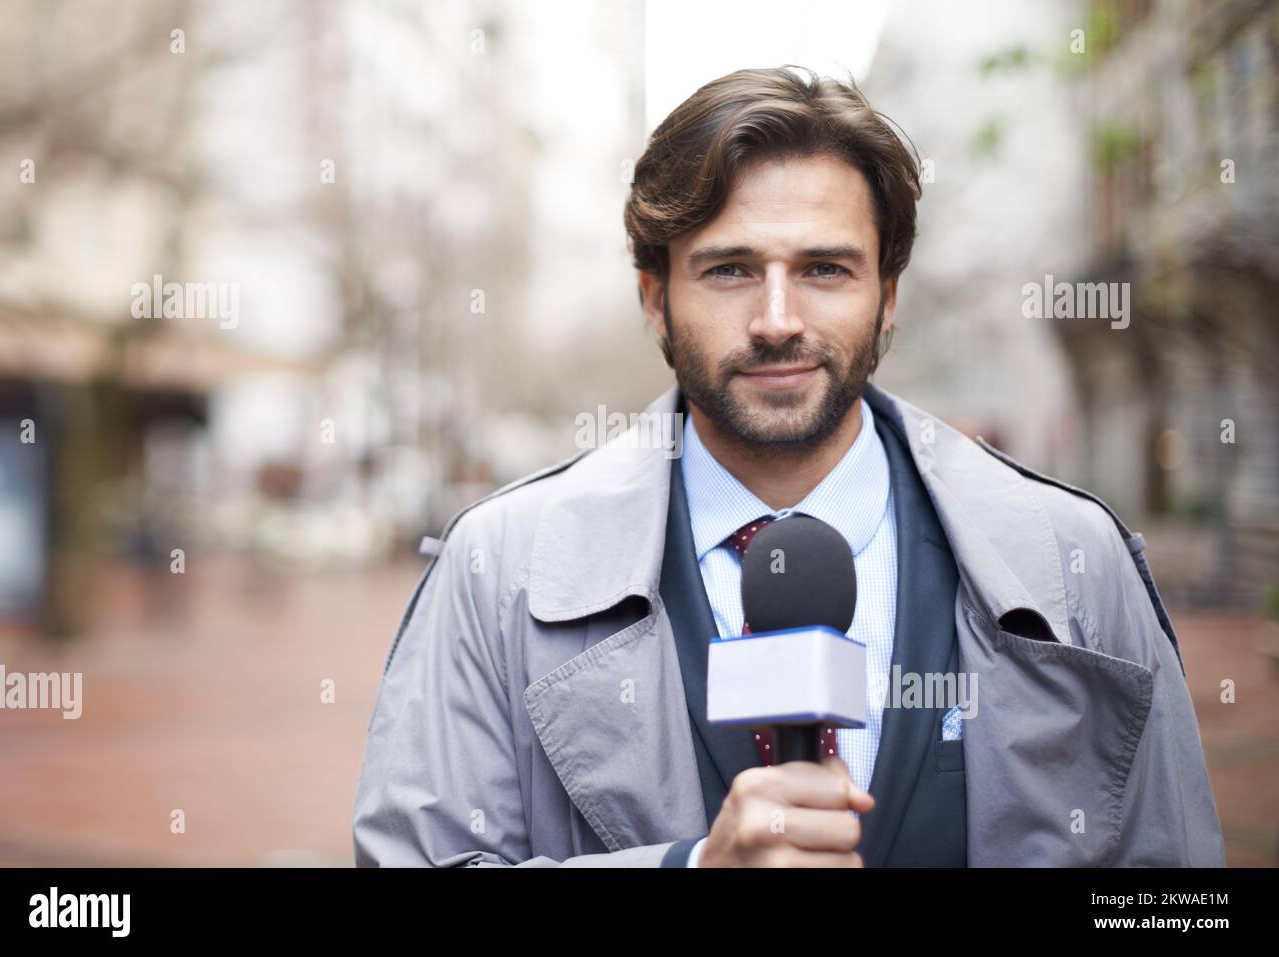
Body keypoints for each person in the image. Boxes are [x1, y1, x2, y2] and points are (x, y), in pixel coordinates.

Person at [352, 66, 1225, 867]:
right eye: (729, 269)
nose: (777, 319)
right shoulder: (498, 568)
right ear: (656, 299)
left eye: (824, 269)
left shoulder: (1077, 562)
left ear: (890, 298)